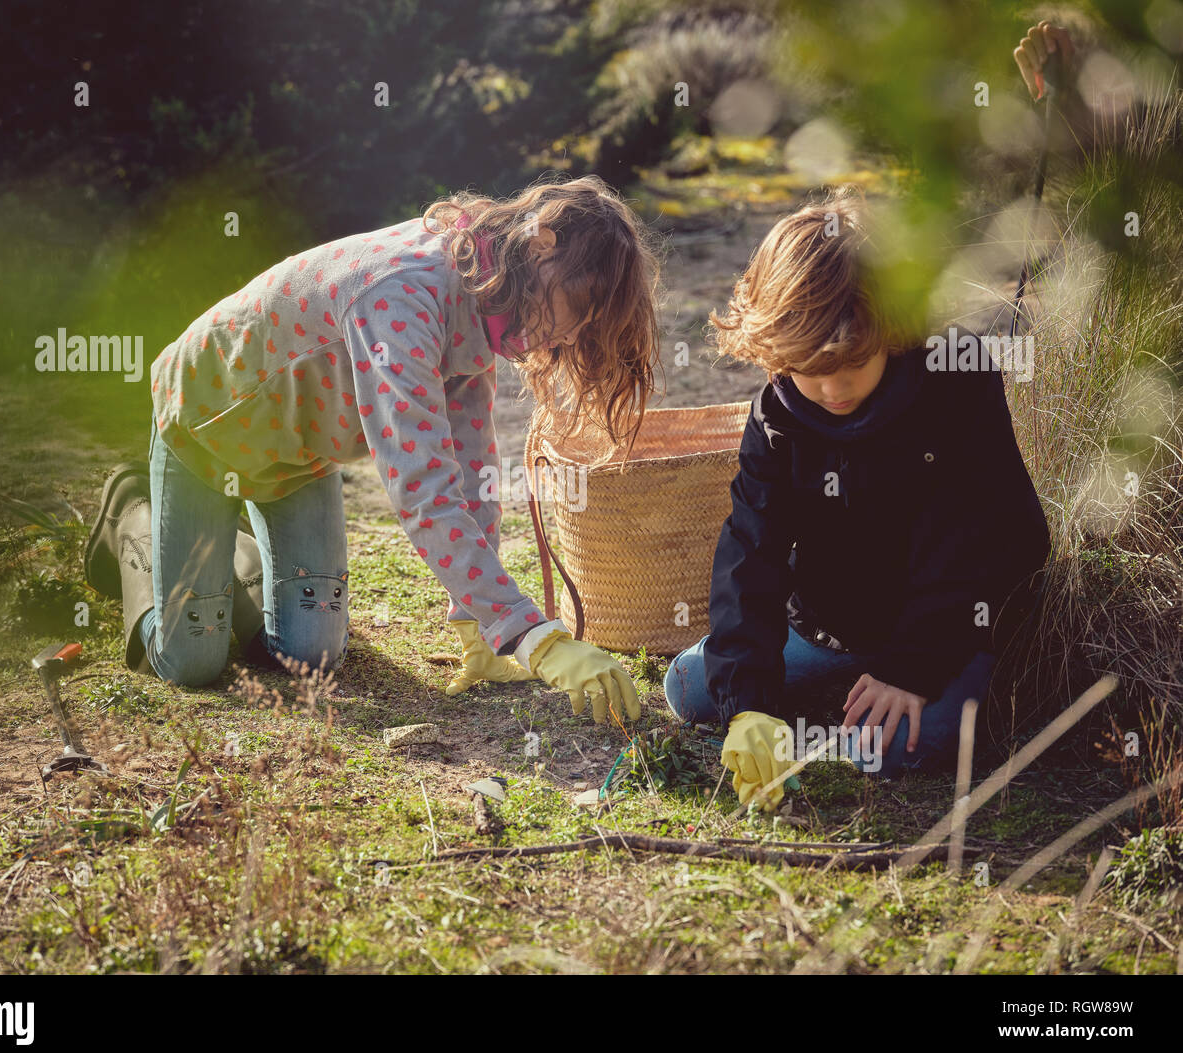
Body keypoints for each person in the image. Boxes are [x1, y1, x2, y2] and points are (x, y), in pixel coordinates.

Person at [84, 175, 655, 724]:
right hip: (207, 430)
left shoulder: (486, 296)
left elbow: (468, 468)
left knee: (311, 656)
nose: (575, 333)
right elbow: (425, 492)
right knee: (191, 662)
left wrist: (484, 631)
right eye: (579, 305)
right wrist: (535, 637)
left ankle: (221, 551)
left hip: (299, 458)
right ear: (542, 243)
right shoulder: (401, 296)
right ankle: (135, 518)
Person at [663, 190, 1051, 809]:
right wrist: (750, 709)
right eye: (809, 366)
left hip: (949, 628)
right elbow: (750, 549)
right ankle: (843, 689)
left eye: (854, 362)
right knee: (690, 685)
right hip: (829, 628)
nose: (833, 387)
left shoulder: (957, 377)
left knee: (892, 753)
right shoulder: (775, 414)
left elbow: (1003, 538)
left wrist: (912, 667)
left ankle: (894, 697)